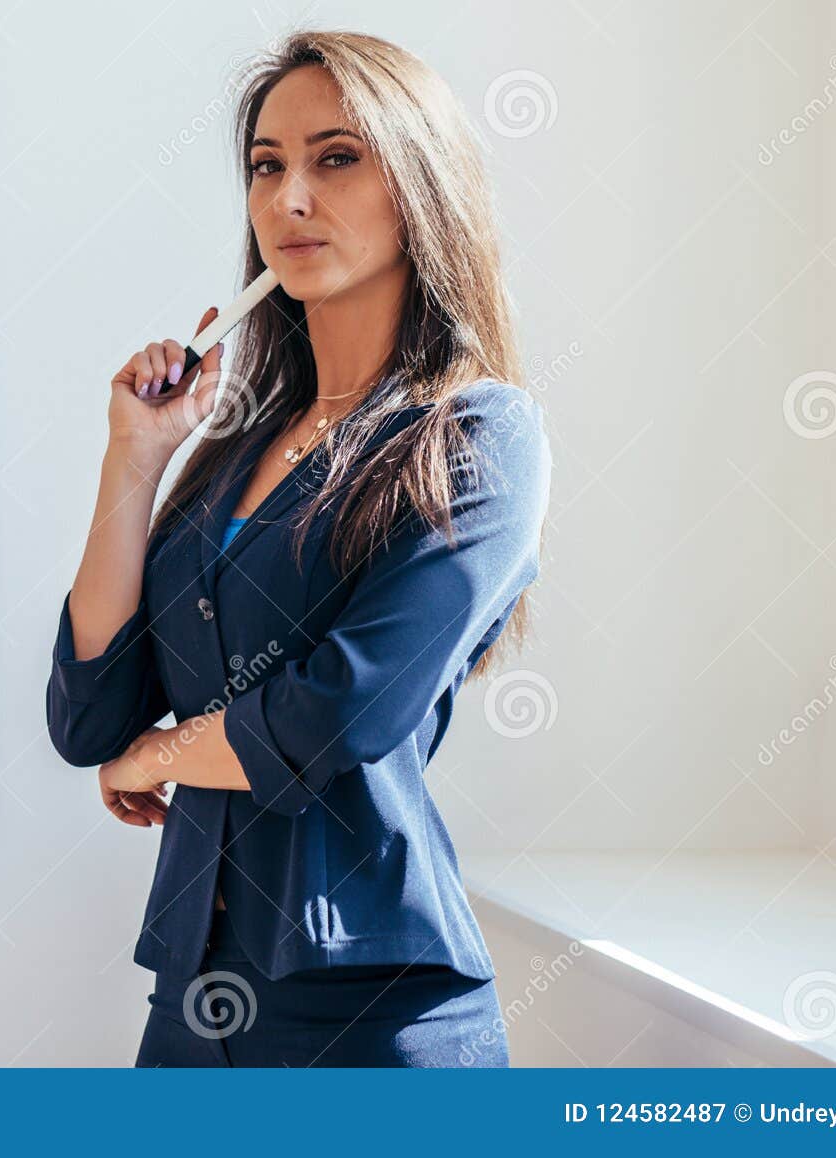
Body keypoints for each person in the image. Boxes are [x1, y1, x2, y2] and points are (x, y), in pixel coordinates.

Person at [44, 29, 553, 1067]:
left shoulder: (476, 434)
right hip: (192, 1000)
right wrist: (134, 461)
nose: (290, 198)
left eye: (337, 158)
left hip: (371, 1014)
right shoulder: (232, 452)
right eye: (266, 166)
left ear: (419, 186)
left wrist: (157, 756)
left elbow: (342, 711)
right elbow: (89, 715)